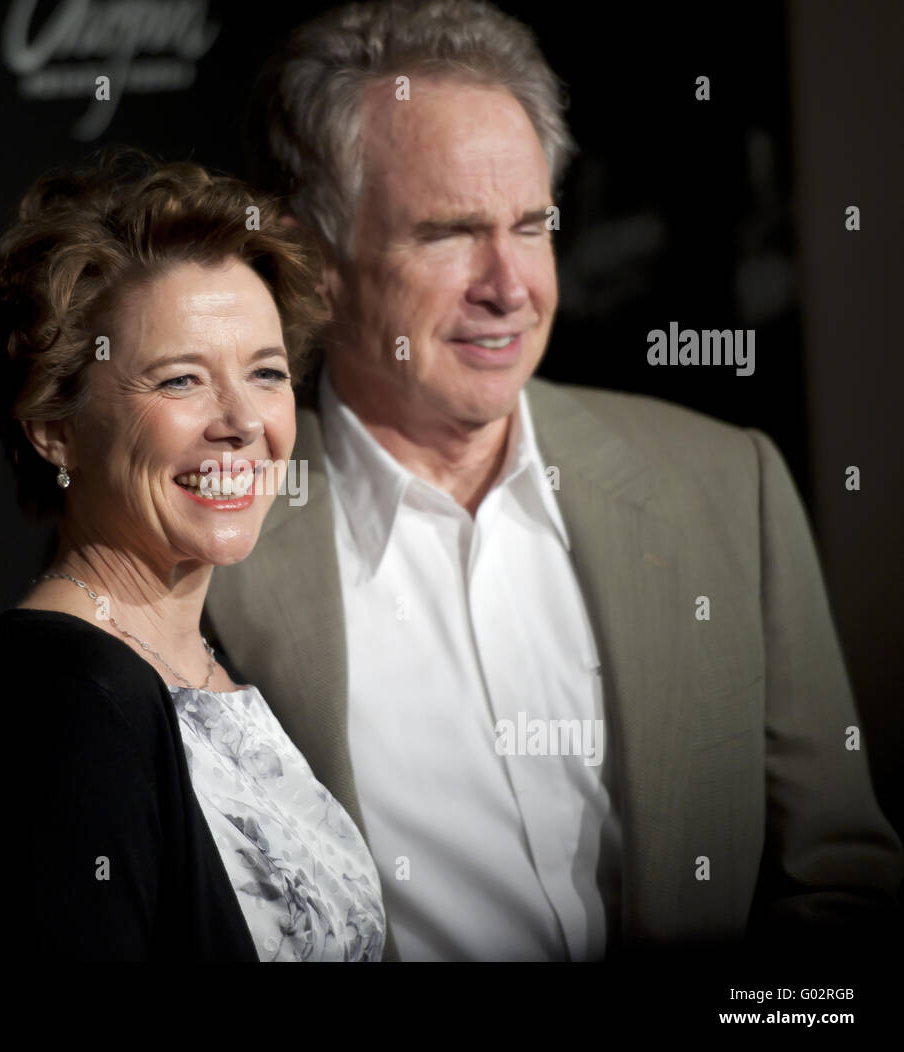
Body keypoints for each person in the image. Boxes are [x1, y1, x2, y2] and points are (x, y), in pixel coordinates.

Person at [202, 0, 904, 961]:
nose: (511, 286)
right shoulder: (216, 545)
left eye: (532, 226)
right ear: (316, 260)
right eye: (450, 233)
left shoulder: (725, 484)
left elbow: (839, 877)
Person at [0, 147, 385, 962]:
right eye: (180, 381)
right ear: (55, 426)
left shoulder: (197, 663)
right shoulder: (67, 699)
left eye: (266, 373)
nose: (242, 422)